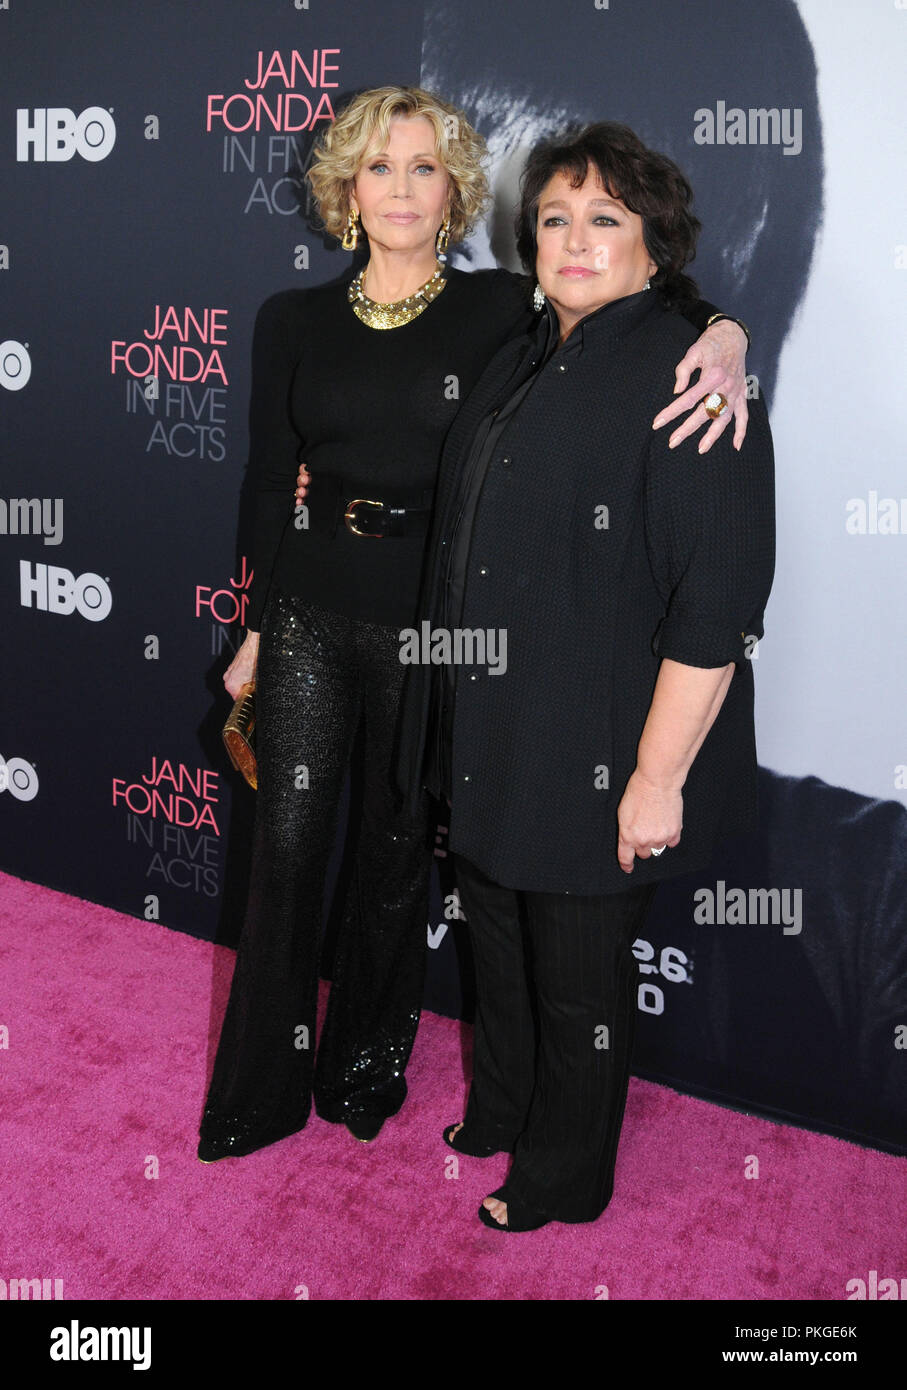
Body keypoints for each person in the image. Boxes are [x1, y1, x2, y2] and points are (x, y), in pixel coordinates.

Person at [198, 87, 750, 1163]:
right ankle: (257, 1091)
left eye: (423, 167)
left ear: (452, 190)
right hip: (310, 606)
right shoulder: (289, 320)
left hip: (437, 625)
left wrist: (725, 336)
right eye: (377, 167)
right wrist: (258, 628)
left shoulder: (505, 307)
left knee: (399, 859)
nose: (399, 187)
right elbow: (271, 486)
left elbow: (644, 306)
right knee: (288, 849)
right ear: (344, 190)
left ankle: (362, 1067)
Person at [396, 121, 776, 1229]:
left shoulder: (692, 377)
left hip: (600, 740)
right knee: (499, 941)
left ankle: (566, 1173)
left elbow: (715, 609)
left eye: (604, 219)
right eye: (554, 217)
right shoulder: (527, 348)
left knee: (575, 973)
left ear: (655, 249)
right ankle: (504, 1104)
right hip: (493, 725)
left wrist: (657, 778)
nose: (572, 238)